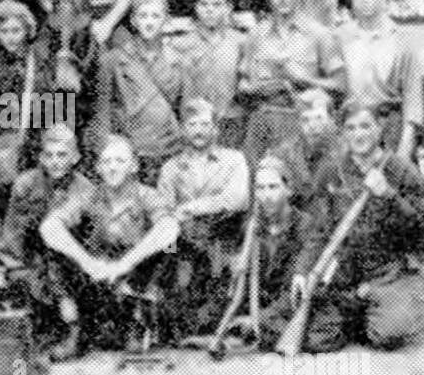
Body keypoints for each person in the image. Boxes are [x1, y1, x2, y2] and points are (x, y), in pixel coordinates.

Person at [273, 103, 424, 353]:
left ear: (379, 129)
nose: (359, 135)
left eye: (365, 126)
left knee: (388, 335)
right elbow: (320, 229)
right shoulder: (332, 171)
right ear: (343, 133)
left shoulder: (401, 170)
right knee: (318, 341)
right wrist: (302, 270)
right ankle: (356, 311)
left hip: (386, 272)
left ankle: (383, 304)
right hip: (344, 275)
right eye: (350, 128)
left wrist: (390, 195)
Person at [40, 137, 180, 352]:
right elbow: (49, 227)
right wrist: (88, 263)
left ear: (134, 166)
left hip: (134, 279)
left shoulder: (147, 196)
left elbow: (170, 227)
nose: (112, 168)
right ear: (98, 168)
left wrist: (125, 263)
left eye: (120, 161)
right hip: (99, 277)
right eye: (106, 162)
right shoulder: (88, 197)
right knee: (56, 250)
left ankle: (138, 324)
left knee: (168, 248)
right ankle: (73, 329)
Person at [156, 98, 250, 332]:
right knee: (176, 290)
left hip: (223, 241)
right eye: (192, 125)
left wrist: (192, 207)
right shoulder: (171, 168)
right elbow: (164, 213)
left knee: (218, 294)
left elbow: (238, 199)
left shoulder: (233, 160)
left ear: (215, 128)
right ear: (183, 129)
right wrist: (168, 252)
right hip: (183, 246)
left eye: (205, 124)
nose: (199, 131)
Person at [239, 0, 345, 165]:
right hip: (262, 120)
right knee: (256, 183)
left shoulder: (319, 34)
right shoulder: (256, 35)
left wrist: (302, 78)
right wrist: (253, 87)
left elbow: (340, 85)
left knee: (300, 186)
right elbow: (242, 84)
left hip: (302, 120)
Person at [0, 124, 94, 358]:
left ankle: (73, 329)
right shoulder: (26, 184)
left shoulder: (85, 189)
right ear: (41, 157)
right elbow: (12, 233)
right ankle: (32, 332)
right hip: (34, 258)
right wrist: (14, 266)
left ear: (75, 158)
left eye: (62, 155)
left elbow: (76, 239)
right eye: (49, 155)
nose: (55, 162)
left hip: (72, 262)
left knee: (58, 267)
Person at [0, 0, 55, 213]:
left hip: (37, 146)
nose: (10, 36)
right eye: (4, 31)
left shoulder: (41, 66)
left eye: (16, 30)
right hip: (6, 149)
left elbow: (52, 110)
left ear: (27, 30)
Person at [96, 0, 188, 185]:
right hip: (131, 151)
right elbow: (103, 113)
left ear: (166, 20)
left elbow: (186, 110)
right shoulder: (112, 60)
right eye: (143, 15)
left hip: (170, 148)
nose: (149, 21)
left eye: (155, 16)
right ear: (133, 21)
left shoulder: (179, 60)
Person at [338, 0, 424, 160]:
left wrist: (404, 149)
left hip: (388, 128)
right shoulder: (341, 38)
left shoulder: (403, 40)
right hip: (351, 129)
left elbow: (413, 100)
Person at [239, 157, 317, 352]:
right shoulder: (252, 227)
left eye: (273, 187)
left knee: (320, 335)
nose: (266, 195)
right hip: (265, 304)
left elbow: (302, 270)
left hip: (290, 302)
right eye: (260, 188)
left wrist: (260, 318)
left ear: (288, 189)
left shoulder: (305, 224)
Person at [183, 0, 247, 149]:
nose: (209, 10)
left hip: (231, 124)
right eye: (204, 5)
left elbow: (247, 84)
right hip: (195, 125)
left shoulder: (240, 42)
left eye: (217, 5)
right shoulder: (183, 43)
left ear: (227, 8)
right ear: (196, 7)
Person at [266, 87, 339, 207]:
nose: (312, 126)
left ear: (331, 119)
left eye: (319, 118)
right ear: (298, 123)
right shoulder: (284, 152)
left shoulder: (346, 152)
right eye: (305, 120)